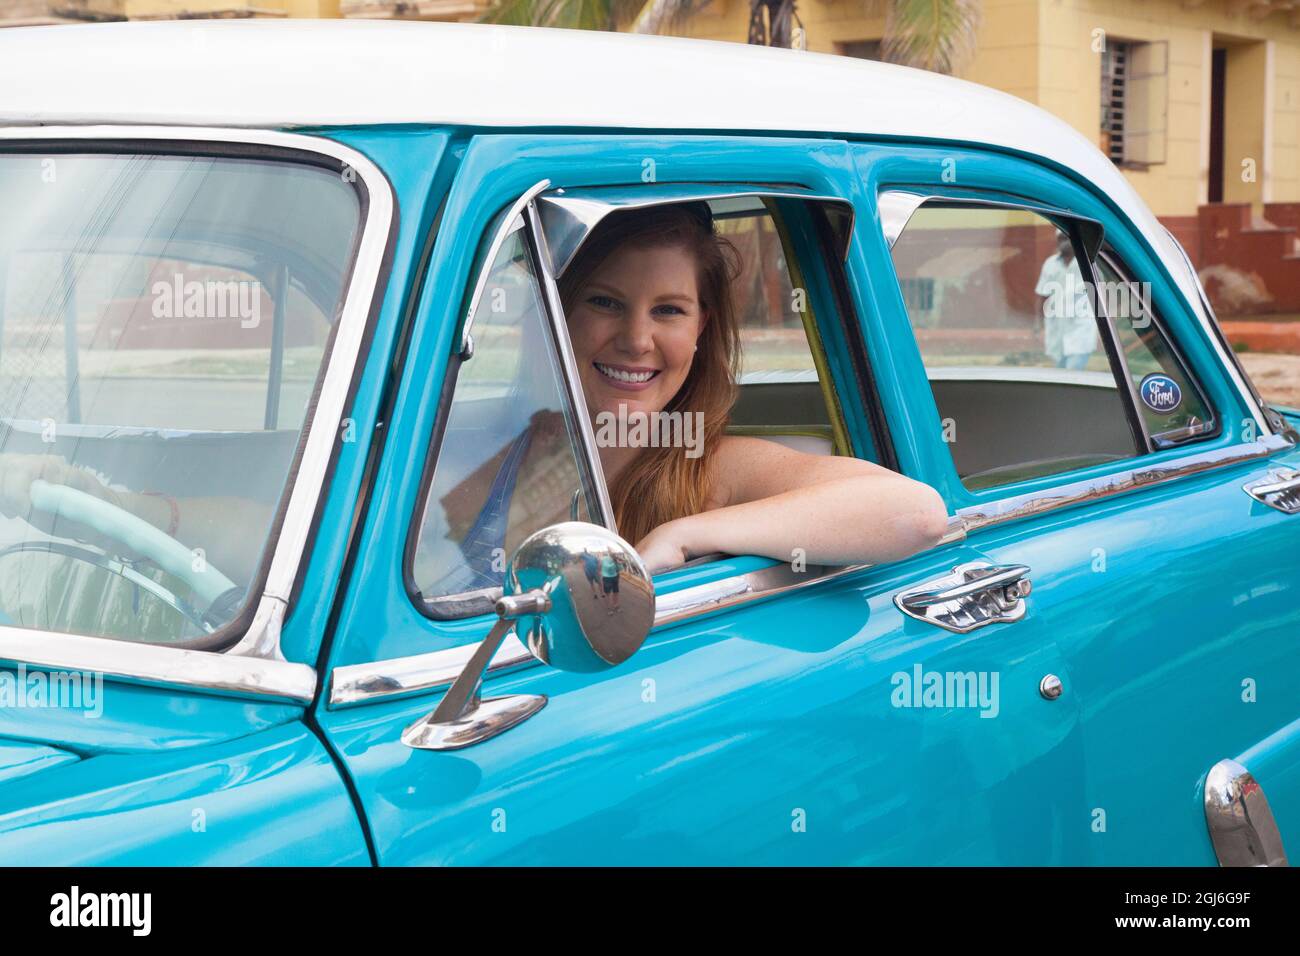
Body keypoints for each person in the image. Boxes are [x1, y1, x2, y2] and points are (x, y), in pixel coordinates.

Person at [1, 202, 951, 591]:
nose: (636, 338)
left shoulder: (711, 461)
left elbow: (911, 509)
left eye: (670, 310)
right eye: (603, 305)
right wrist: (117, 506)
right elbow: (361, 533)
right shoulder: (532, 448)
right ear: (558, 317)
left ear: (702, 331)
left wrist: (684, 538)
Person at [1035, 232, 1098, 371]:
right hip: (1056, 330)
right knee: (1060, 373)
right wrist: (1038, 327)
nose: (1065, 242)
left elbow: (1101, 295)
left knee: (1074, 372)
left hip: (1081, 330)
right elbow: (1042, 296)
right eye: (1061, 239)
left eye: (1067, 238)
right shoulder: (1050, 264)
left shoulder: (1089, 263)